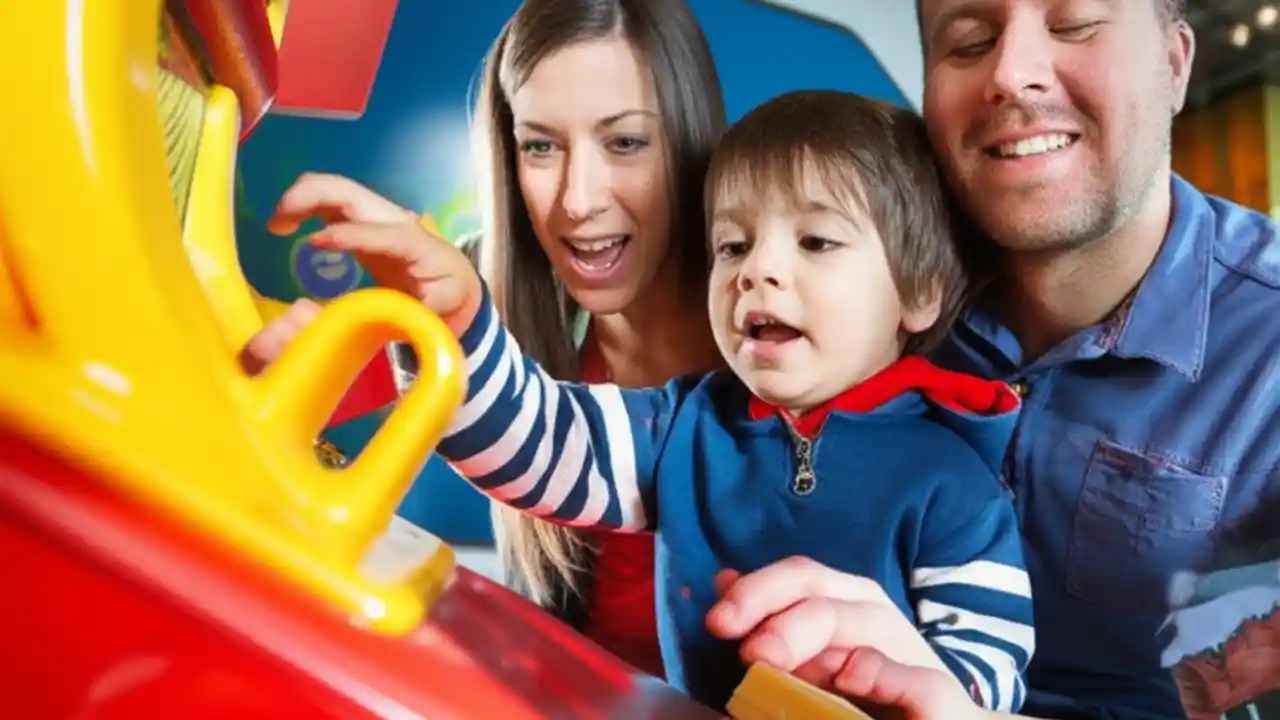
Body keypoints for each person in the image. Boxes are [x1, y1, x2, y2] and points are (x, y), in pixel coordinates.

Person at [704, 0, 1280, 718]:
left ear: (1174, 62)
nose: (1010, 74)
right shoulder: (859, 296)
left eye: (1074, 23)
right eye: (970, 41)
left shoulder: (1268, 356)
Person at [415, 89, 1036, 712]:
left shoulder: (953, 482)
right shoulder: (683, 424)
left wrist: (920, 686)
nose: (756, 269)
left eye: (815, 241)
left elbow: (988, 674)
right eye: (732, 246)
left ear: (919, 293)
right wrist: (453, 330)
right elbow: (538, 445)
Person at [240, 0, 726, 678]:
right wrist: (293, 367)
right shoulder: (474, 296)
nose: (579, 198)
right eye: (540, 146)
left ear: (690, 139)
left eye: (625, 142)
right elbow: (320, 393)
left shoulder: (787, 335)